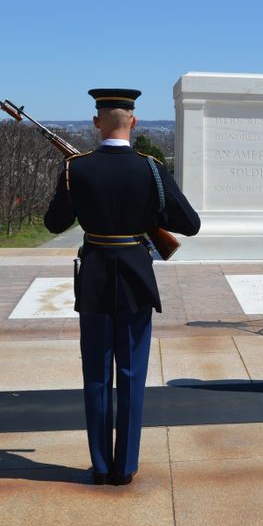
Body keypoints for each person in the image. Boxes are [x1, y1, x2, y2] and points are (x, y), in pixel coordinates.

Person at [44, 88, 200, 485]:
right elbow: (190, 223)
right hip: (135, 278)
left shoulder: (76, 168)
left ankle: (100, 465)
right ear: (134, 121)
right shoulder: (151, 168)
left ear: (96, 122)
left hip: (95, 278)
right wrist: (149, 211)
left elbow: (54, 223)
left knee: (96, 376)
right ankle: (125, 467)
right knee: (131, 374)